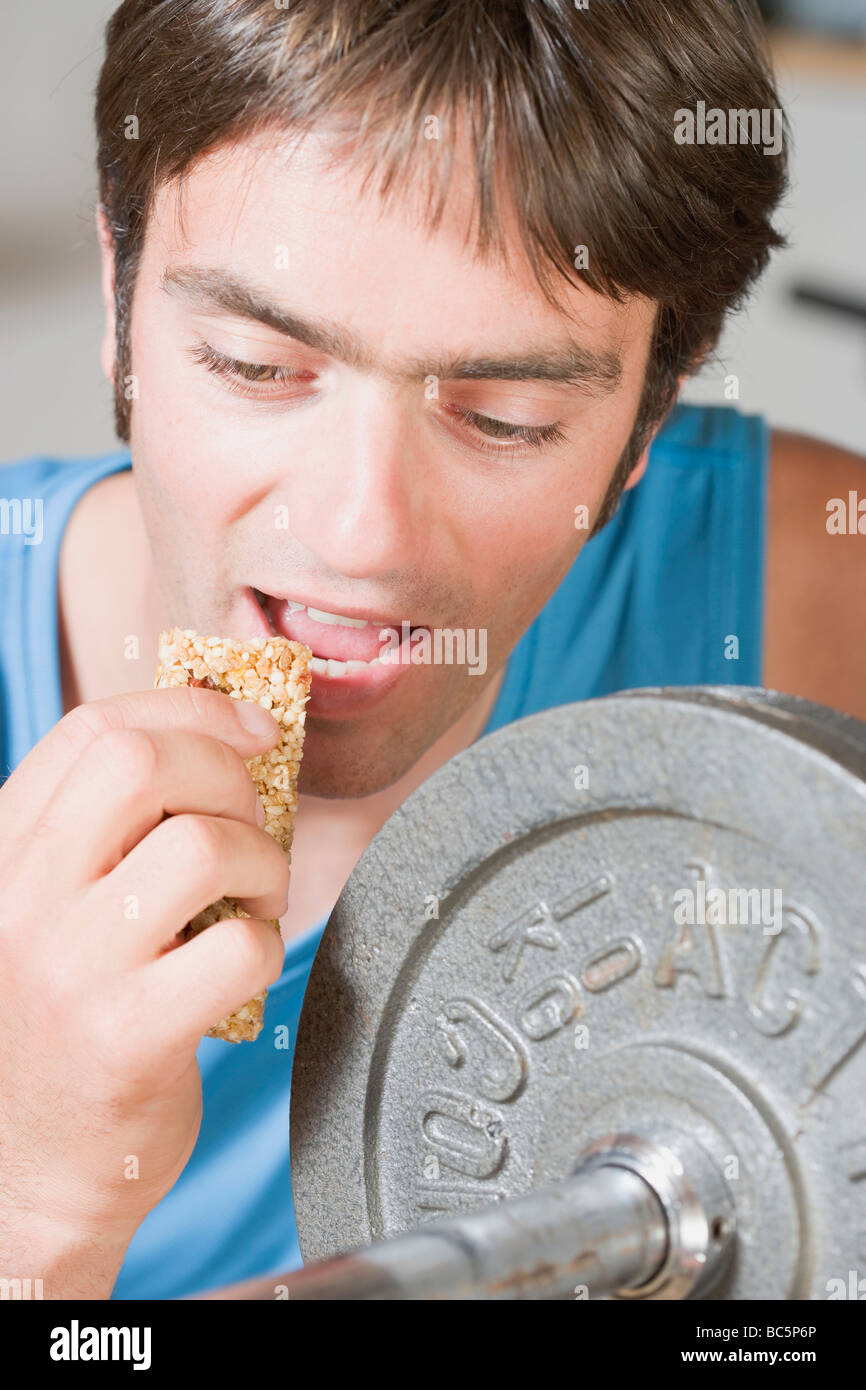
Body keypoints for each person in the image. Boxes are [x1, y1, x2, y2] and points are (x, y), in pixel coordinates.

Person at [0, 0, 863, 1300]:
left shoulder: (800, 589)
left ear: (646, 415)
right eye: (254, 364)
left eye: (503, 417)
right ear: (121, 293)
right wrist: (34, 1208)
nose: (358, 534)